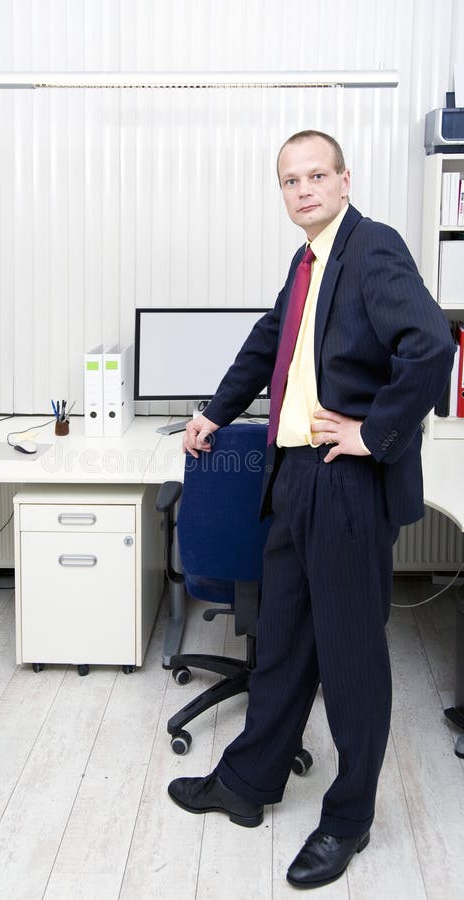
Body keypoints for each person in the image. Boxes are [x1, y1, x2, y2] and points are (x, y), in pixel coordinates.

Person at [167, 130, 454, 890]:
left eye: (316, 175)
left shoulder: (373, 248)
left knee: (352, 658)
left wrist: (375, 431)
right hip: (292, 479)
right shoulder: (307, 262)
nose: (304, 189)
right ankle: (249, 781)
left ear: (344, 179)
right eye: (290, 180)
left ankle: (348, 819)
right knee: (285, 640)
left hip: (344, 483)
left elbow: (430, 345)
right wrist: (214, 412)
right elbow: (271, 346)